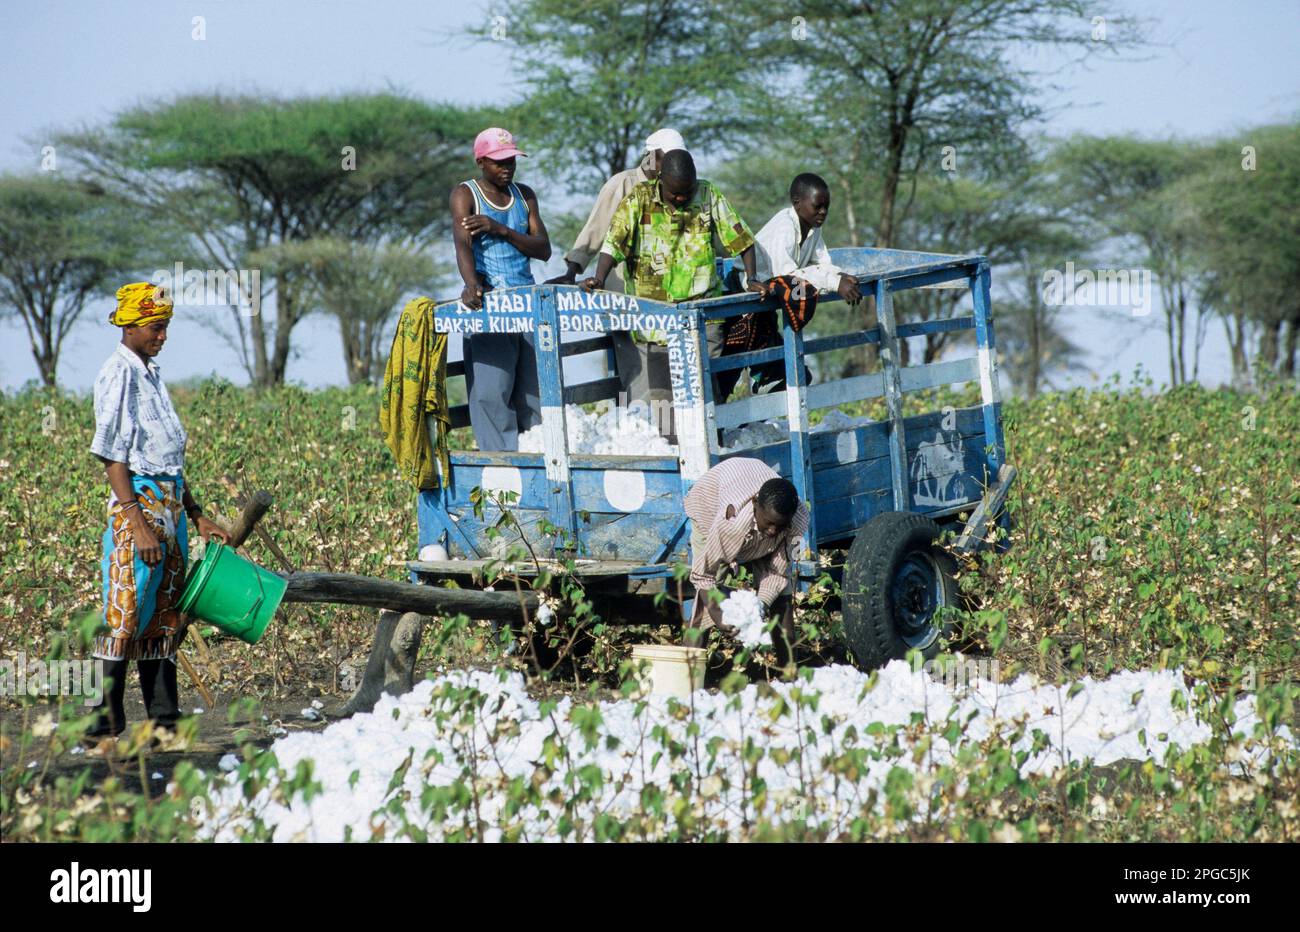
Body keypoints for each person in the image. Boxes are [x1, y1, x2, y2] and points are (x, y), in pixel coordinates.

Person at [87, 282, 230, 744]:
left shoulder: (150, 373)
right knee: (125, 610)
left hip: (168, 504)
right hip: (140, 507)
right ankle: (103, 721)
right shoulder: (118, 373)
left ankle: (164, 720)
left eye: (166, 326)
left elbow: (169, 457)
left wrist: (196, 513)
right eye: (154, 326)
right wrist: (138, 524)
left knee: (163, 614)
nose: (162, 335)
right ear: (128, 325)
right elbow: (113, 456)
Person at [581, 150, 767, 412]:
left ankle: (712, 447)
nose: (681, 198)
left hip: (701, 315)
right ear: (661, 180)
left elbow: (741, 238)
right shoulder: (639, 198)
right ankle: (670, 448)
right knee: (662, 400)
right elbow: (613, 243)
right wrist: (598, 278)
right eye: (674, 193)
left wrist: (752, 278)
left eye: (686, 192)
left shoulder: (708, 195)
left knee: (704, 395)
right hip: (655, 317)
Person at [549, 129, 688, 407]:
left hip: (667, 293)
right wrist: (573, 270)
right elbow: (596, 230)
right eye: (664, 159)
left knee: (669, 370)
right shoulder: (623, 185)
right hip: (626, 291)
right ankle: (646, 429)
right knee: (637, 369)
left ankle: (666, 430)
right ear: (651, 156)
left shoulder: (674, 189)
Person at [450, 127, 552, 451]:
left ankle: (538, 462)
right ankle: (502, 468)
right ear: (481, 161)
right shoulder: (466, 195)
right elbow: (463, 246)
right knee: (492, 393)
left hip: (528, 301)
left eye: (511, 161)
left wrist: (500, 229)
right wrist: (471, 285)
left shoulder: (525, 195)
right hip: (491, 305)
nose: (506, 167)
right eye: (498, 162)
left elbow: (543, 248)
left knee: (533, 393)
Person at [720, 172, 863, 400]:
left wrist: (840, 275)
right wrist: (835, 281)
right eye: (818, 206)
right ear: (798, 203)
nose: (823, 212)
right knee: (728, 368)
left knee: (792, 375)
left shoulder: (814, 229)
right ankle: (721, 427)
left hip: (765, 302)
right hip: (744, 295)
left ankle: (750, 426)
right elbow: (788, 277)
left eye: (826, 207)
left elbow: (821, 263)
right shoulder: (784, 228)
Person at [683, 457, 809, 646]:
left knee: (782, 595)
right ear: (755, 504)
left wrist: (759, 605)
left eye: (780, 525)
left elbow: (777, 573)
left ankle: (789, 673)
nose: (773, 531)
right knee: (708, 596)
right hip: (708, 506)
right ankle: (690, 667)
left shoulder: (797, 522)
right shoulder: (731, 523)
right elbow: (703, 576)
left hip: (749, 488)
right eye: (769, 522)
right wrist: (718, 615)